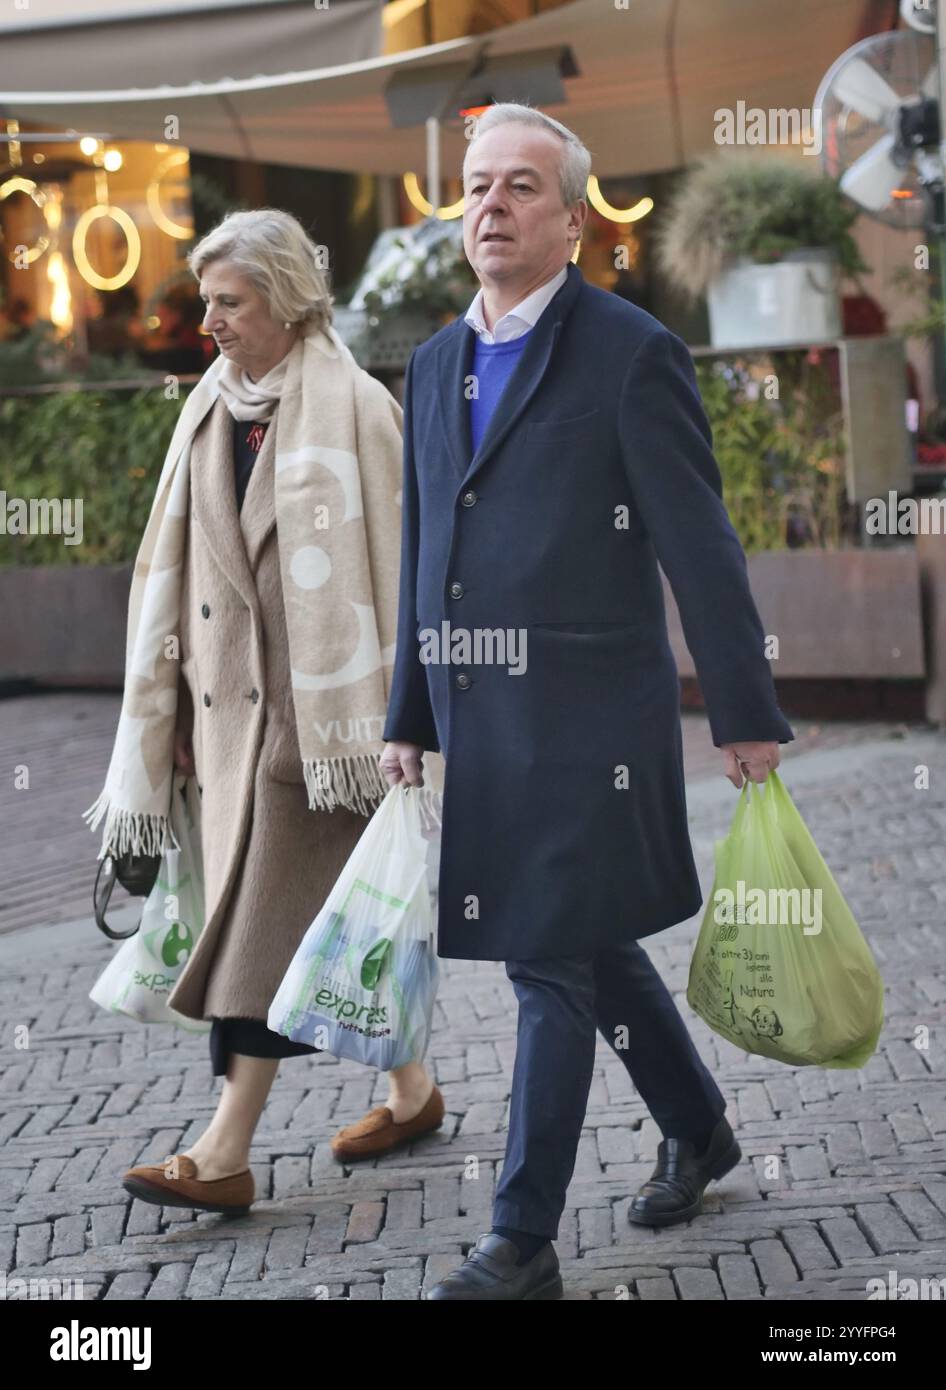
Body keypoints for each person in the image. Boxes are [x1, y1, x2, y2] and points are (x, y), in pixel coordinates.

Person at [379, 102, 795, 1300]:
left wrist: (745, 705)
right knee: (588, 942)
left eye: (519, 187)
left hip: (584, 723)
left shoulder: (629, 351)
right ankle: (701, 1128)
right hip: (478, 719)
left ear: (573, 217)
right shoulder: (433, 361)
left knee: (543, 960)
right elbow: (424, 546)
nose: (491, 207)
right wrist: (409, 710)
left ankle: (520, 1239)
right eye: (475, 188)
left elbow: (698, 544)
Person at [85, 209, 445, 1216]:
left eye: (228, 303)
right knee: (329, 929)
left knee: (261, 933)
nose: (210, 323)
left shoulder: (359, 409)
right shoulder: (211, 405)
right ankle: (411, 1089)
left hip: (323, 727)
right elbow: (190, 571)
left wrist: (395, 718)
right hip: (225, 722)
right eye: (207, 302)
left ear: (286, 300)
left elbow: (404, 572)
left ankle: (223, 1149)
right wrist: (174, 720)